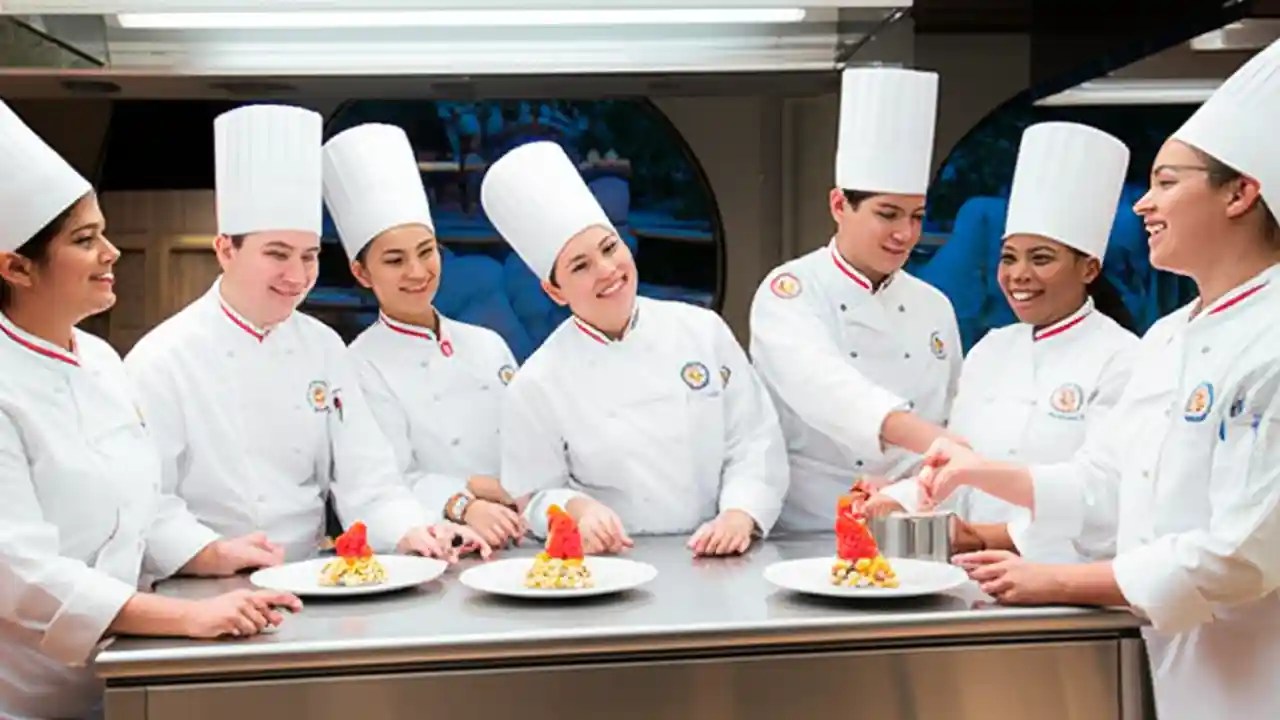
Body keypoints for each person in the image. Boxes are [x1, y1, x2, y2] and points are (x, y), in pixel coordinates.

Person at [918, 40, 1280, 720]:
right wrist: (974, 472)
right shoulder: (1172, 336)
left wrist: (1060, 579)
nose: (1144, 206)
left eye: (1168, 182)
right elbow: (1107, 480)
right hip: (1174, 661)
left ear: (1242, 192)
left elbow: (1241, 554)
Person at [0, 100, 301, 720]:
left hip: (117, 673)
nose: (112, 253)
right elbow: (21, 574)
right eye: (86, 241)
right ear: (15, 267)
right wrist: (187, 616)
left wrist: (208, 554)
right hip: (27, 697)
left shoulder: (104, 360)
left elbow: (138, 502)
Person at [124, 105, 487, 564]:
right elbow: (144, 499)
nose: (297, 275)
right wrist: (210, 554)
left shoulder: (322, 346)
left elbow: (368, 481)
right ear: (225, 250)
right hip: (199, 582)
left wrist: (415, 531)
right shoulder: (162, 359)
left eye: (310, 256)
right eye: (278, 254)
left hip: (307, 576)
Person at [482, 141, 789, 556]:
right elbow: (533, 496)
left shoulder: (702, 330)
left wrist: (740, 514)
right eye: (580, 266)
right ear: (554, 290)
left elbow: (754, 439)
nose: (607, 271)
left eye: (610, 248)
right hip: (610, 567)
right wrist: (576, 508)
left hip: (719, 555)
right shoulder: (537, 383)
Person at [874, 122, 1140, 563]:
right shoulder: (991, 350)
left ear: (1089, 268)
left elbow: (1105, 501)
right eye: (1009, 258)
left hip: (1067, 586)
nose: (1018, 275)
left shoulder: (1122, 358)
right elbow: (958, 469)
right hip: (971, 574)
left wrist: (983, 537)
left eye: (1041, 259)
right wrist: (899, 501)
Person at [748, 66, 964, 531]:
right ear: (838, 205)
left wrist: (912, 487)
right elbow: (825, 388)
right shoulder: (789, 291)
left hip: (911, 519)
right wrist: (939, 442)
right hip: (809, 525)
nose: (905, 234)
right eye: (887, 214)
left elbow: (949, 407)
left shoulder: (934, 307)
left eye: (917, 216)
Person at [323, 122, 525, 549]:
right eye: (395, 260)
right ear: (362, 272)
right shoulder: (359, 363)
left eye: (426, 252)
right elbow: (383, 483)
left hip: (523, 534)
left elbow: (532, 441)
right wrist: (466, 501)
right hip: (438, 543)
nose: (417, 272)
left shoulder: (489, 345)